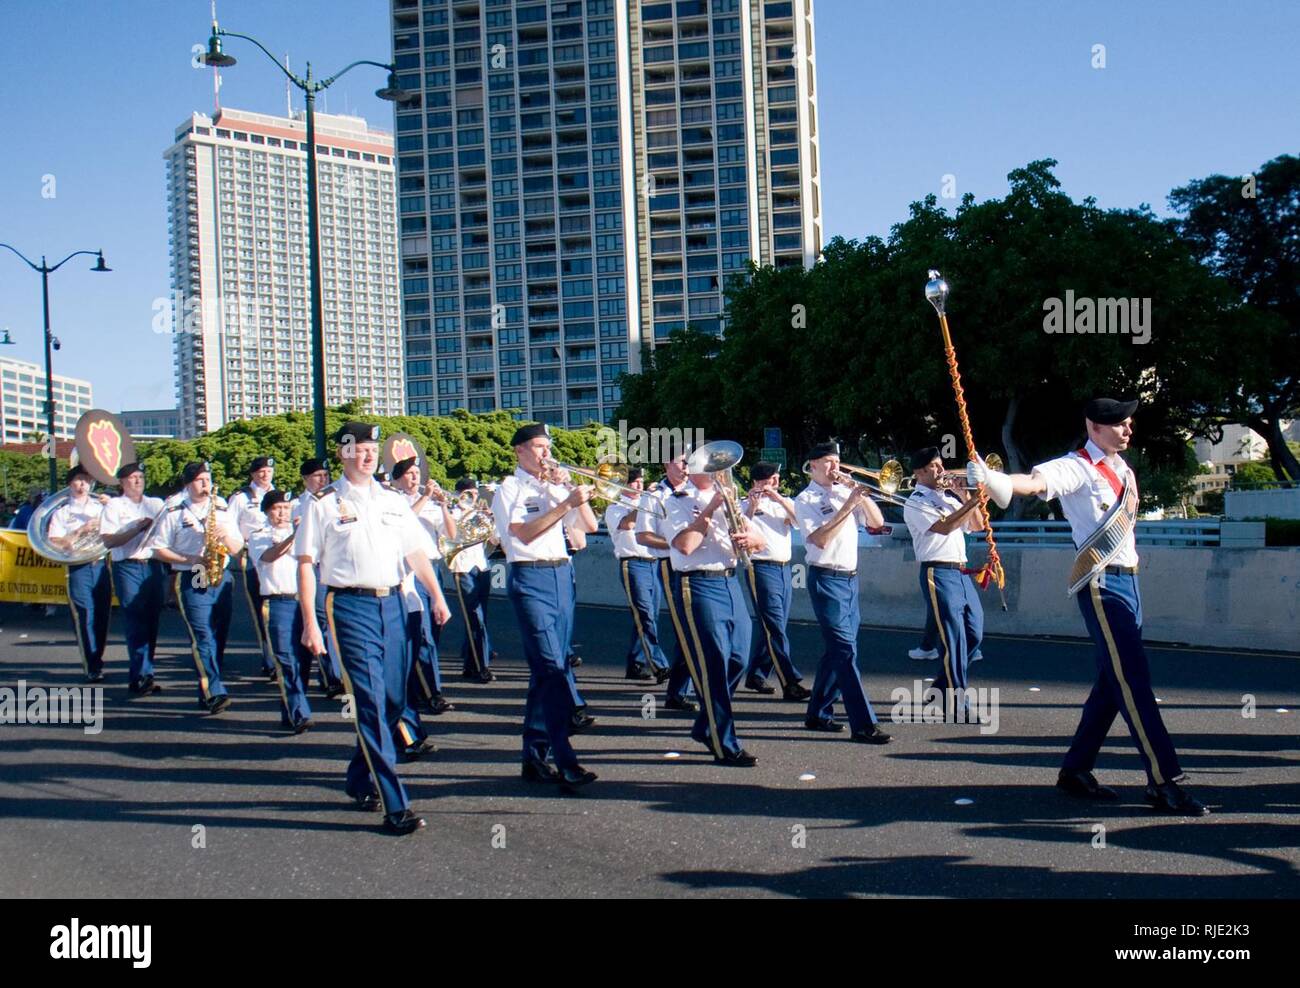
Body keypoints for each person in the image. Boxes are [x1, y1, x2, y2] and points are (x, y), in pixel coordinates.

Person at [970, 397, 1208, 815]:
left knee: (1112, 681)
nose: (1128, 429)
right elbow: (1037, 483)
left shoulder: (1123, 470)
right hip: (1101, 584)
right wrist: (996, 481)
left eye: (1129, 423)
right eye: (1119, 424)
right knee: (1133, 680)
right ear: (1094, 427)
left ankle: (1076, 769)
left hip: (1129, 582)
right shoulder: (1077, 466)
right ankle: (1163, 780)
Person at [295, 423, 452, 835]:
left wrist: (437, 595)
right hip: (348, 605)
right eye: (358, 449)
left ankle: (357, 777)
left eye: (371, 449)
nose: (366, 456)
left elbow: (415, 551)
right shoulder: (322, 503)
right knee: (370, 704)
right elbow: (306, 564)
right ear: (343, 454)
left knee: (395, 701)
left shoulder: (392, 501)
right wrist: (311, 622)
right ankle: (394, 802)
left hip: (394, 604)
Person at [491, 423, 598, 791]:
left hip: (561, 575)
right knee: (552, 669)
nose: (545, 454)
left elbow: (589, 525)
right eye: (538, 447)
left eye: (547, 447)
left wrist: (572, 493)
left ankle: (533, 756)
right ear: (519, 450)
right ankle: (566, 760)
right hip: (530, 577)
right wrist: (564, 503)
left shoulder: (554, 487)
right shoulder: (509, 489)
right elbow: (522, 533)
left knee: (548, 669)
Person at [663, 454, 763, 765]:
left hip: (730, 581)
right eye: (713, 467)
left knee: (738, 659)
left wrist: (750, 539)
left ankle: (706, 726)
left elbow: (759, 540)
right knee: (713, 666)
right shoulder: (676, 500)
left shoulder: (730, 499)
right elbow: (685, 546)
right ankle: (725, 744)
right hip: (698, 584)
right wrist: (709, 508)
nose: (721, 472)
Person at [794, 443, 892, 744]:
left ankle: (818, 712)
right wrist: (849, 504)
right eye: (828, 462)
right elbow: (819, 539)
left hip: (850, 579)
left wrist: (861, 496)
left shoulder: (842, 492)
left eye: (838, 461)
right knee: (845, 652)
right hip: (826, 578)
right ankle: (863, 724)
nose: (835, 467)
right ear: (812, 465)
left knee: (839, 651)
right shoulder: (805, 499)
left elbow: (877, 523)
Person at [143, 461, 244, 713]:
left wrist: (225, 537)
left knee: (219, 635)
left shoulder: (221, 507)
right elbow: (157, 549)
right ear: (188, 485)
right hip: (191, 575)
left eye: (208, 480)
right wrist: (188, 559)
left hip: (220, 576)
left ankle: (207, 684)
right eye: (200, 481)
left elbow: (237, 547)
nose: (205, 485)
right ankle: (214, 690)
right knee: (202, 636)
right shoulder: (174, 511)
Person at [902, 446, 986, 719]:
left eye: (940, 465)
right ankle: (957, 704)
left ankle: (941, 687)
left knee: (975, 632)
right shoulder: (916, 500)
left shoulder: (948, 497)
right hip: (937, 572)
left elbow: (976, 526)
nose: (941, 471)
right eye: (934, 467)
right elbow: (945, 527)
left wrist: (966, 495)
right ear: (919, 472)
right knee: (954, 639)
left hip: (960, 572)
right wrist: (973, 502)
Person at [740, 462, 811, 701]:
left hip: (783, 568)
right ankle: (790, 681)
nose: (775, 482)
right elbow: (740, 527)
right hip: (760, 567)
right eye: (770, 479)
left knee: (772, 626)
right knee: (775, 627)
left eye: (776, 478)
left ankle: (756, 674)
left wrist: (778, 499)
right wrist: (752, 506)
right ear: (757, 482)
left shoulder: (786, 502)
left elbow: (800, 524)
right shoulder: (743, 503)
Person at [391, 455, 454, 723]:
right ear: (397, 478)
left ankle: (420, 685)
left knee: (433, 632)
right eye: (409, 473)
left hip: (433, 568)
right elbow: (403, 523)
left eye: (417, 472)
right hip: (409, 573)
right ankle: (432, 694)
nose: (415, 477)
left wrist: (444, 506)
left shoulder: (429, 501)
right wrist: (427, 497)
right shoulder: (394, 501)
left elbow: (451, 535)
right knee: (423, 634)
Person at [249, 490, 315, 733]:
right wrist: (294, 537)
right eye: (277, 508)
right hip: (277, 602)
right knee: (285, 659)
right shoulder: (259, 535)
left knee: (304, 660)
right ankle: (299, 712)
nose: (283, 513)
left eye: (286, 508)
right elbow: (268, 556)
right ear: (267, 511)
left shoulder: (303, 535)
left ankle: (291, 710)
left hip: (302, 601)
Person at [635, 454, 697, 712]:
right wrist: (675, 547)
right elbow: (643, 536)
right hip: (669, 565)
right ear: (666, 465)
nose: (686, 467)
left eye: (689, 463)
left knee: (701, 631)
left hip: (700, 565)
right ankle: (678, 692)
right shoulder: (654, 496)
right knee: (685, 629)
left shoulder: (698, 491)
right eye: (682, 462)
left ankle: (693, 685)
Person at [99, 462, 166, 694]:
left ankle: (147, 671)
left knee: (152, 620)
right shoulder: (115, 506)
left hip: (154, 565)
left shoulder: (155, 503)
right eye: (132, 478)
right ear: (122, 483)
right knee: (135, 619)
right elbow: (108, 541)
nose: (137, 481)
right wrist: (136, 529)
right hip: (127, 565)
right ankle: (139, 674)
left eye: (140, 476)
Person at [46, 465, 111, 682]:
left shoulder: (101, 507)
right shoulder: (61, 513)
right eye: (78, 480)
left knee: (102, 617)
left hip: (100, 564)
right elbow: (55, 543)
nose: (83, 484)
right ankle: (91, 665)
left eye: (86, 480)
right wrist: (80, 530)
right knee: (84, 615)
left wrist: (112, 507)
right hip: (78, 566)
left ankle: (97, 659)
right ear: (70, 484)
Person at [605, 468, 670, 682]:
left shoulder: (648, 504)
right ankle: (659, 664)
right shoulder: (615, 507)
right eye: (634, 483)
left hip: (653, 563)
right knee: (644, 615)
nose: (639, 486)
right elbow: (628, 524)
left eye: (641, 482)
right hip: (632, 563)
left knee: (649, 616)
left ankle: (636, 663)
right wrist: (644, 503)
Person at [292, 457, 345, 697]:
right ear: (305, 479)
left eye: (326, 475)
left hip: (333, 567)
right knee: (322, 621)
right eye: (317, 476)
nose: (323, 480)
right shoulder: (297, 504)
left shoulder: (336, 499)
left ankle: (333, 673)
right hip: (311, 567)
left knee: (333, 622)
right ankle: (331, 675)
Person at [227, 457, 278, 680]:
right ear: (253, 474)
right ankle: (269, 658)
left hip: (279, 556)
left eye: (269, 470)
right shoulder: (241, 498)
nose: (266, 475)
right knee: (261, 609)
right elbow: (230, 526)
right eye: (261, 471)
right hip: (252, 553)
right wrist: (238, 553)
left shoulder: (279, 495)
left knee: (281, 606)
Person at [446, 476, 496, 683]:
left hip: (481, 566)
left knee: (480, 616)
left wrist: (494, 519)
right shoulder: (452, 514)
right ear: (459, 495)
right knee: (474, 617)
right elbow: (451, 535)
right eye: (468, 495)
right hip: (462, 567)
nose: (472, 498)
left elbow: (493, 541)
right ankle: (479, 667)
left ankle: (470, 662)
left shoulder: (481, 514)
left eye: (475, 494)